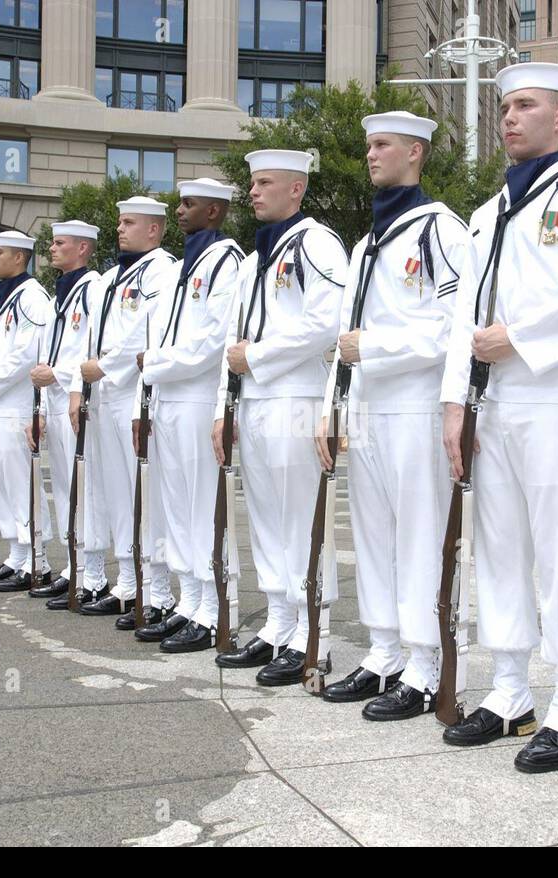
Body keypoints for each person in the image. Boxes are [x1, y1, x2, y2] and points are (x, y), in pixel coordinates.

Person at [439, 62, 558, 766]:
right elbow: (464, 315)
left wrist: (519, 336)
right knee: (500, 549)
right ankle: (511, 690)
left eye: (526, 106)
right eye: (505, 107)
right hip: (493, 399)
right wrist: (453, 402)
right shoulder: (488, 212)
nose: (510, 118)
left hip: (554, 391)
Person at [314, 111, 472, 720]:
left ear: (415, 153)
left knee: (420, 534)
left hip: (414, 405)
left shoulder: (441, 231)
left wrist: (374, 349)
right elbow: (343, 336)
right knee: (375, 535)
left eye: (383, 146)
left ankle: (425, 664)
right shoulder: (366, 242)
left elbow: (452, 328)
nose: (372, 155)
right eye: (369, 146)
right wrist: (332, 407)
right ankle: (383, 652)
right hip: (368, 407)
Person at [211, 149, 348, 685]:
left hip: (294, 396)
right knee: (266, 518)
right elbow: (233, 339)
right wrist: (227, 404)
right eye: (252, 183)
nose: (253, 191)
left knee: (300, 519)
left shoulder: (317, 243)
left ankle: (314, 634)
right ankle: (277, 624)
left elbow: (326, 322)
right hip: (255, 401)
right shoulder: (253, 259)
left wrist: (259, 358)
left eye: (265, 182)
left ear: (296, 189)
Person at [134, 179, 244, 653]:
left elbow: (210, 344)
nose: (180, 211)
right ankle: (189, 602)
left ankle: (214, 608)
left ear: (215, 212)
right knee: (177, 508)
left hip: (199, 400)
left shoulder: (226, 261)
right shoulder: (184, 266)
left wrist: (154, 365)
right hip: (170, 401)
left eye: (189, 204)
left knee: (203, 510)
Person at [71, 198, 178, 622]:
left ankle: (160, 588)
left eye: (129, 222)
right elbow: (92, 333)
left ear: (153, 230)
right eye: (119, 222)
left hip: (136, 390)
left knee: (145, 495)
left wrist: (105, 366)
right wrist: (82, 384)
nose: (120, 229)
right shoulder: (112, 277)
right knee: (117, 493)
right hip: (104, 394)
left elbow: (146, 330)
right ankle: (130, 582)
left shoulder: (163, 270)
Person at [26, 220, 109, 609]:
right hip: (55, 400)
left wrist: (61, 376)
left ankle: (92, 574)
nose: (52, 249)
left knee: (84, 487)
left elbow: (91, 346)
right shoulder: (60, 294)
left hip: (76, 397)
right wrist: (40, 407)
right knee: (64, 487)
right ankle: (74, 563)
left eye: (60, 244)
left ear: (82, 249)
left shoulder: (93, 290)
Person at [0, 230, 54, 592]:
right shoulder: (6, 297)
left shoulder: (31, 297)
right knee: (4, 486)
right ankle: (17, 556)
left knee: (22, 486)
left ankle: (38, 559)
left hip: (16, 404)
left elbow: (26, 352)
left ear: (20, 258)